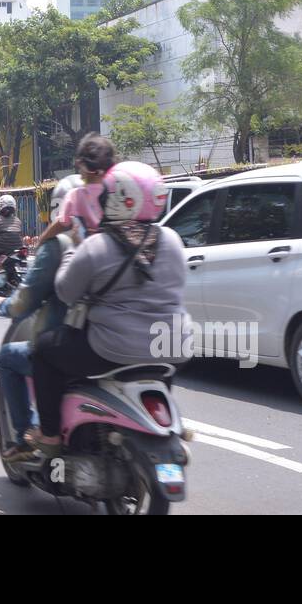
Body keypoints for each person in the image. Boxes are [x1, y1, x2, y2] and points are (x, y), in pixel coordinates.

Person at [26, 162, 191, 458]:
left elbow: (65, 291)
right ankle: (171, 426)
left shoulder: (98, 245)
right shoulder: (173, 241)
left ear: (116, 198)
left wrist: (74, 248)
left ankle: (50, 435)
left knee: (43, 351)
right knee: (158, 360)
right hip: (173, 346)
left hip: (113, 349)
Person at [0, 175, 91, 460]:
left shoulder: (59, 244)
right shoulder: (111, 240)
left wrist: (3, 305)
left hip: (68, 341)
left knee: (8, 358)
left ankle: (25, 436)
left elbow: (27, 297)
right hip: (113, 342)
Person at [34, 134, 115, 248]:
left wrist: (40, 242)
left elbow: (59, 225)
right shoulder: (117, 192)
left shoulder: (76, 196)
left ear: (84, 165)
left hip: (87, 255)